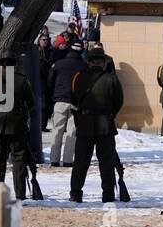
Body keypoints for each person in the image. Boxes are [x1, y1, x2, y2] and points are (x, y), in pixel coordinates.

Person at [69, 48, 124, 203]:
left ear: (89, 62)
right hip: (105, 124)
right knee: (106, 162)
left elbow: (73, 99)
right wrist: (109, 113)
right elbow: (119, 101)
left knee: (80, 162)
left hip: (84, 123)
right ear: (104, 63)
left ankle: (75, 193)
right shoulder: (111, 79)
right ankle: (108, 194)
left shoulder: (78, 78)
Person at [0, 54, 35, 199]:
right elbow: (31, 102)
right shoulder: (21, 80)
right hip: (16, 122)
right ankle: (20, 193)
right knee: (18, 158)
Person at [46, 41, 83, 166]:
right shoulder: (83, 66)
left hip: (60, 100)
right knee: (72, 132)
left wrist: (54, 95)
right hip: (76, 103)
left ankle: (54, 159)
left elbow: (50, 81)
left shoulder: (59, 64)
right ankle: (68, 160)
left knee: (57, 130)